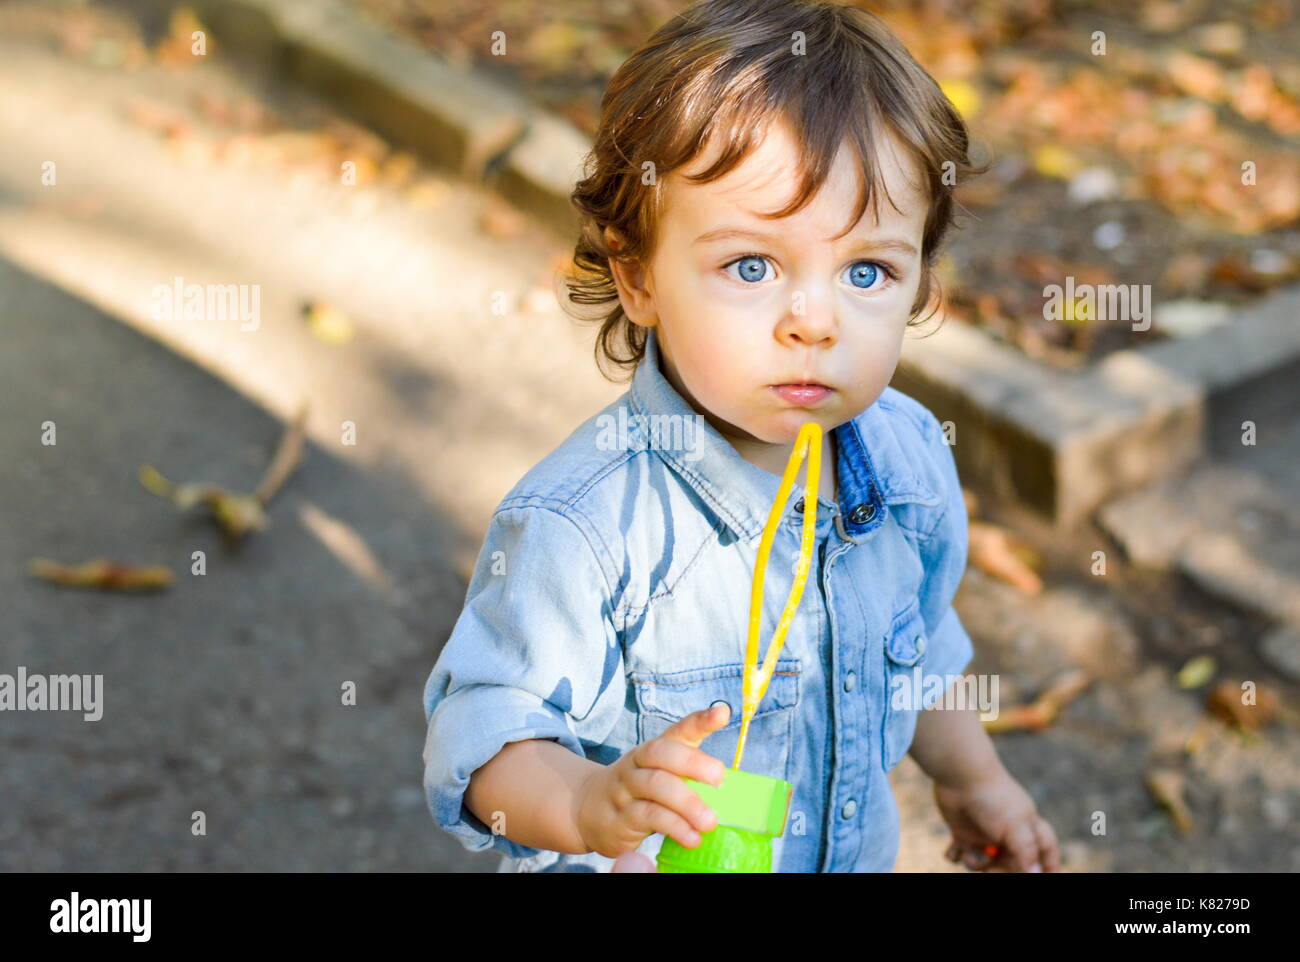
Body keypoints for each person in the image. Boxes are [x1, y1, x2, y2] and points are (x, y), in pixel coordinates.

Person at [422, 0, 1060, 873]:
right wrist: (582, 801)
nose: (814, 321)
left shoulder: (909, 459)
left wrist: (973, 778)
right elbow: (483, 729)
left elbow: (917, 651)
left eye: (867, 270)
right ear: (638, 275)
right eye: (750, 266)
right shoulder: (589, 525)